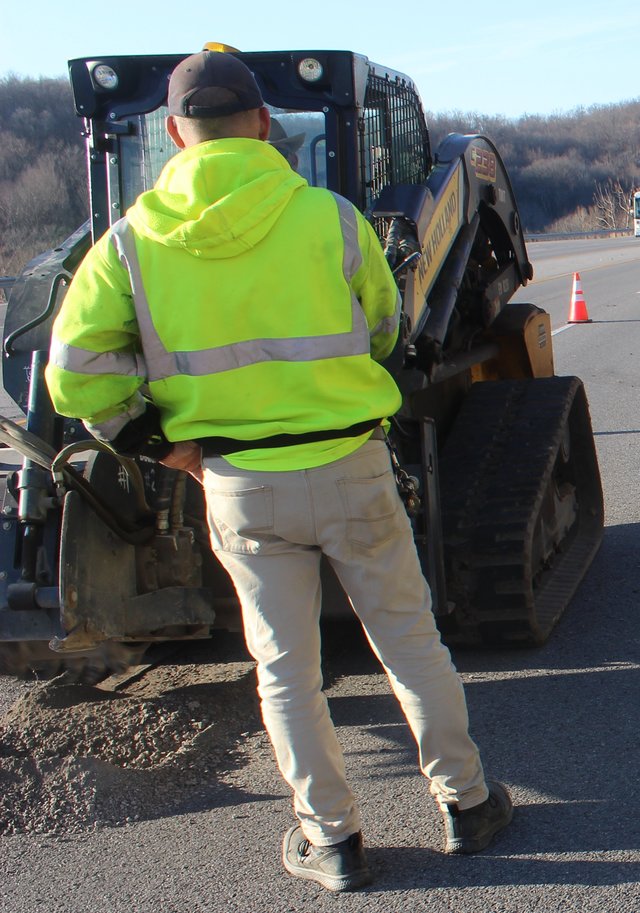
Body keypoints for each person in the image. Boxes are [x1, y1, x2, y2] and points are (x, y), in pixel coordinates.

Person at [44, 48, 512, 891]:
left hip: (239, 486)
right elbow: (382, 331)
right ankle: (468, 803)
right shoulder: (330, 219)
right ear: (263, 125)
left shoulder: (129, 245)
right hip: (351, 461)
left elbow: (76, 374)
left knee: (286, 671)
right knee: (410, 642)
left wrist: (166, 445)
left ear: (176, 136)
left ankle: (332, 841)